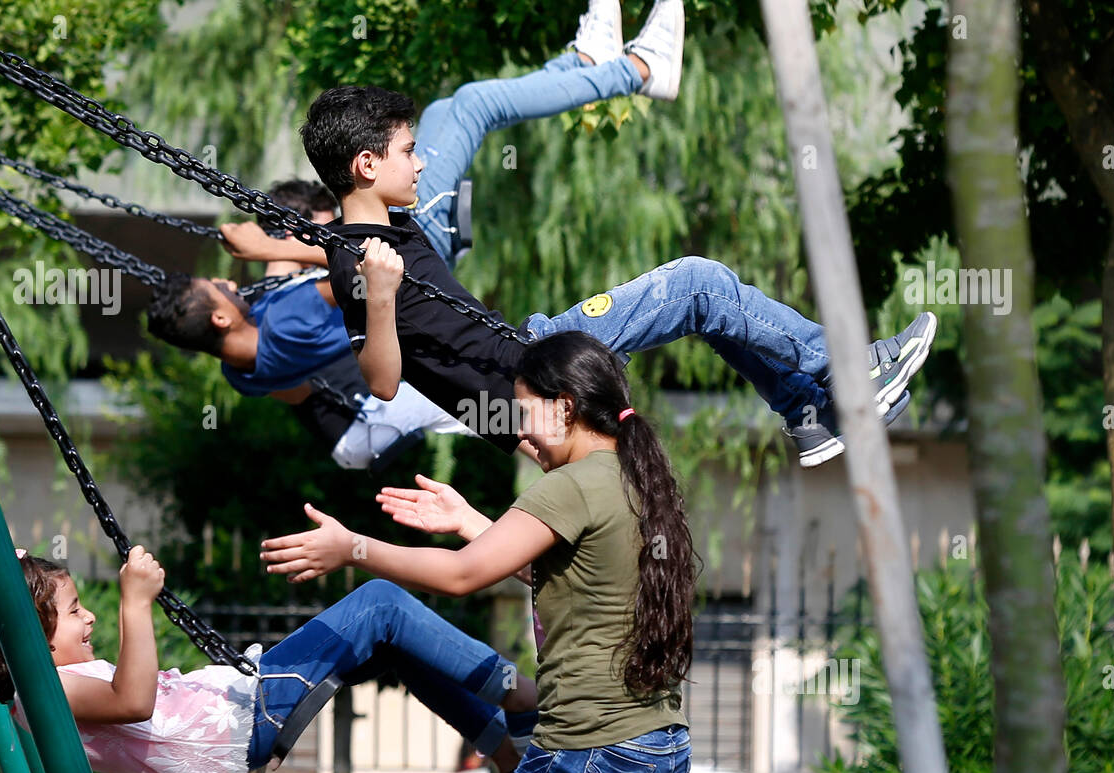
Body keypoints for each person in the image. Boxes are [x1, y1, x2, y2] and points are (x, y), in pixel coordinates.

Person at [296, 20, 931, 467]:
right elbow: (382, 382)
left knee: (464, 109)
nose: (420, 165)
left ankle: (807, 413)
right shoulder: (360, 261)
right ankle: (847, 372)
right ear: (366, 166)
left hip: (527, 354)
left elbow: (451, 128)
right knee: (697, 283)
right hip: (532, 371)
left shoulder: (381, 227)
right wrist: (379, 298)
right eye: (408, 154)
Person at [260, 330, 698, 773]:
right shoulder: (640, 479)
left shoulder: (570, 485)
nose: (521, 433)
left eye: (526, 412)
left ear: (566, 408)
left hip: (587, 751)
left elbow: (460, 575)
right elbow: (572, 579)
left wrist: (354, 548)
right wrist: (469, 520)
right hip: (659, 749)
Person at [0, 546, 538, 773]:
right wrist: (133, 604)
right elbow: (134, 700)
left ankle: (502, 748)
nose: (88, 618)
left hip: (246, 704)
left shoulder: (48, 686)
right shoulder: (40, 696)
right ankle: (518, 693)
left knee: (390, 641)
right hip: (248, 719)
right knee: (380, 605)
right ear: (31, 637)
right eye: (73, 612)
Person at [219, 0, 684, 272]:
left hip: (403, 230)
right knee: (475, 107)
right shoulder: (285, 310)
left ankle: (584, 61)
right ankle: (638, 69)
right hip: (416, 239)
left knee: (451, 105)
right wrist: (270, 249)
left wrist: (274, 253)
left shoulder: (282, 282)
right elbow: (352, 269)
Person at [147, 180, 478, 471]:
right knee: (484, 399)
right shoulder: (287, 314)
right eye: (218, 288)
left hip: (345, 442)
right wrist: (268, 247)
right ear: (220, 319)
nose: (227, 283)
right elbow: (355, 260)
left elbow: (298, 393)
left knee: (479, 410)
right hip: (372, 417)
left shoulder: (237, 374)